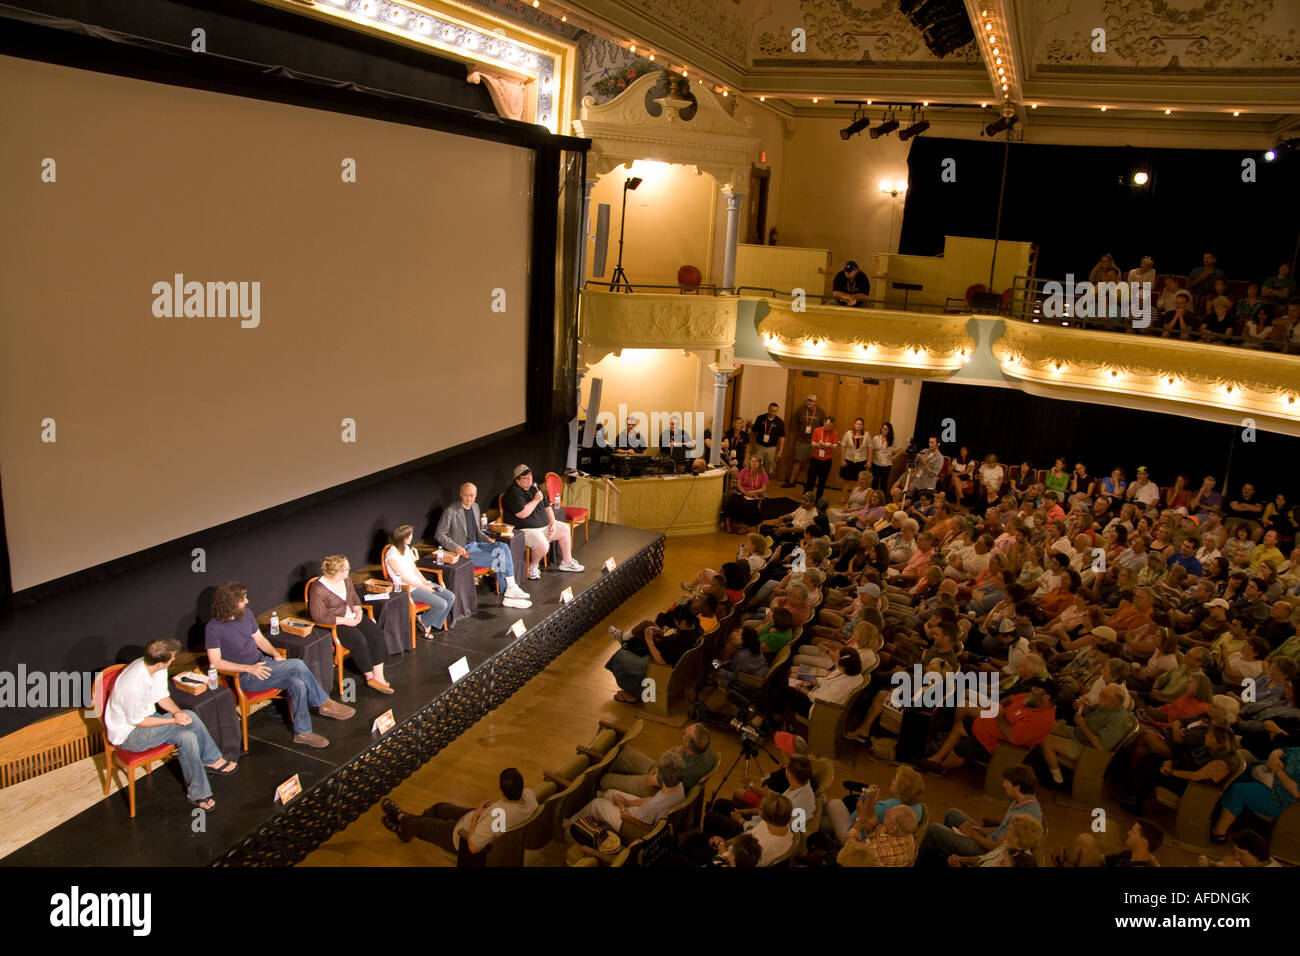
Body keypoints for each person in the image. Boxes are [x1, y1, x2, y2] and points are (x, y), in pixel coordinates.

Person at [205, 582, 355, 749]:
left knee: (297, 683)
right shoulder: (213, 628)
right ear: (230, 603)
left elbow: (260, 640)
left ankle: (302, 733)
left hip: (264, 664)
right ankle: (323, 703)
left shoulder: (246, 614)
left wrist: (275, 654)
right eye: (243, 599)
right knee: (298, 664)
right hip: (246, 676)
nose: (247, 601)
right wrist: (248, 668)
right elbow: (215, 662)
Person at [104, 638, 235, 812]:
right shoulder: (132, 686)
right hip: (130, 735)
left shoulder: (155, 669)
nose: (174, 660)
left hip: (150, 720)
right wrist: (174, 720)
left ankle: (198, 793)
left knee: (187, 736)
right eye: (171, 658)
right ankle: (211, 759)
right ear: (159, 663)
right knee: (190, 716)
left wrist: (177, 713)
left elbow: (162, 697)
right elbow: (138, 721)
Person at [381, 768, 537, 863]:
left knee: (425, 825)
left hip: (461, 835)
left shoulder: (499, 816)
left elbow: (473, 847)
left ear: (502, 791)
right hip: (477, 818)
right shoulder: (529, 796)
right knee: (439, 809)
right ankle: (408, 825)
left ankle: (402, 820)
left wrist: (476, 817)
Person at [915, 764, 1041, 865]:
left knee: (934, 831)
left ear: (1017, 788)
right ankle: (942, 858)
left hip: (987, 849)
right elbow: (1001, 828)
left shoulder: (1026, 814)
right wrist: (977, 830)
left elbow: (998, 847)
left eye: (1007, 782)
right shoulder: (1020, 800)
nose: (1003, 784)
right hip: (989, 840)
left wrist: (973, 834)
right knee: (952, 814)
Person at [307, 554, 394, 695]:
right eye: (347, 568)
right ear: (338, 572)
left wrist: (358, 610)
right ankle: (369, 676)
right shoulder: (318, 589)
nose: (349, 570)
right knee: (359, 640)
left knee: (376, 632)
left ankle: (379, 676)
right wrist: (346, 621)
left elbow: (354, 598)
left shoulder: (346, 580)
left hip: (352, 616)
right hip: (336, 622)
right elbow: (319, 617)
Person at [433, 484, 531, 608]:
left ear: (476, 495)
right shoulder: (451, 511)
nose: (469, 499)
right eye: (466, 495)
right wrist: (455, 547)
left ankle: (510, 588)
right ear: (460, 494)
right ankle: (508, 593)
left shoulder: (475, 507)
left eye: (472, 496)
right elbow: (440, 535)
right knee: (499, 558)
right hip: (463, 550)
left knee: (503, 547)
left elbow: (477, 531)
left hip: (477, 545)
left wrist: (487, 539)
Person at [567, 751, 687, 839]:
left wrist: (621, 805)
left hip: (636, 827)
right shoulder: (678, 785)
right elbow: (651, 800)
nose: (655, 771)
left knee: (596, 804)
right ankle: (596, 821)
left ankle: (569, 826)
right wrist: (628, 802)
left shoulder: (655, 805)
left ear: (662, 777)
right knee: (610, 793)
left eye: (658, 770)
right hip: (647, 814)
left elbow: (635, 821)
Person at [502, 464, 584, 580]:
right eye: (525, 478)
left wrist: (553, 523)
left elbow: (547, 506)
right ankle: (533, 567)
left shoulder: (535, 487)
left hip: (544, 526)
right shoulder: (513, 493)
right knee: (543, 545)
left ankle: (567, 561)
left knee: (565, 529)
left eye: (530, 476)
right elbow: (522, 513)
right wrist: (536, 500)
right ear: (517, 480)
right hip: (525, 529)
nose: (529, 480)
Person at [599, 722, 715, 796]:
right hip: (664, 774)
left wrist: (658, 770)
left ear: (688, 746)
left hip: (658, 788)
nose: (683, 732)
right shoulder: (704, 748)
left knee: (605, 780)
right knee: (623, 754)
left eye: (684, 734)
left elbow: (651, 781)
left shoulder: (682, 769)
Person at [385, 524, 456, 634]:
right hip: (409, 588)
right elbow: (404, 578)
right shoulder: (391, 556)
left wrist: (425, 581)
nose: (412, 538)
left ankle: (428, 622)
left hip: (418, 583)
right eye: (410, 536)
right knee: (442, 604)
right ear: (404, 538)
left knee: (450, 596)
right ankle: (425, 622)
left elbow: (414, 568)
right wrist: (424, 587)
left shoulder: (406, 549)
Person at [785, 394, 825, 488]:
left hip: (814, 442)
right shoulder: (801, 410)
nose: (810, 402)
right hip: (801, 440)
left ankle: (807, 482)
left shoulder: (820, 412)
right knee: (797, 461)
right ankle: (791, 482)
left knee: (809, 463)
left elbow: (823, 427)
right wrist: (799, 431)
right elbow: (794, 422)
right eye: (808, 400)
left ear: (815, 402)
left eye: (812, 401)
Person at [723, 454, 769, 534]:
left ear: (760, 464)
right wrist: (745, 492)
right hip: (742, 492)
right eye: (752, 461)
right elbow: (739, 484)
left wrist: (755, 492)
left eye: (756, 462)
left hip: (754, 495)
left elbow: (764, 488)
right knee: (732, 500)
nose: (754, 463)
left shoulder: (763, 474)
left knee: (748, 505)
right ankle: (728, 524)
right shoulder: (744, 470)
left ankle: (744, 526)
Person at [805, 414, 838, 502]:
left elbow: (835, 447)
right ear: (824, 422)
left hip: (826, 461)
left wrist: (830, 445)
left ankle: (818, 500)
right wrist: (818, 444)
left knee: (822, 482)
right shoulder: (817, 430)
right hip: (815, 459)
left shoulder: (834, 433)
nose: (828, 427)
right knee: (810, 480)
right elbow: (812, 444)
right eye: (827, 425)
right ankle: (807, 498)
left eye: (830, 426)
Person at [751, 403, 785, 476]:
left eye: (775, 411)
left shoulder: (779, 422)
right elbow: (753, 432)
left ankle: (764, 480)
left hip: (771, 448)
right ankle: (755, 480)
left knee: (769, 466)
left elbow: (782, 437)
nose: (773, 413)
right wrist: (751, 445)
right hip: (760, 446)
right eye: (771, 410)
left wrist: (780, 450)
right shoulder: (760, 418)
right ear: (768, 409)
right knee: (756, 464)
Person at [839, 417, 870, 484]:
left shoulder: (866, 435)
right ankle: (843, 495)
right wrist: (842, 460)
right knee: (846, 481)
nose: (858, 426)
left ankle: (855, 495)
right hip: (849, 461)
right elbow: (843, 446)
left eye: (860, 424)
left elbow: (870, 448)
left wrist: (869, 461)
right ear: (854, 424)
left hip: (861, 462)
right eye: (857, 424)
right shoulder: (848, 433)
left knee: (858, 482)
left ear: (862, 426)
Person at [870, 421, 898, 492]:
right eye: (883, 428)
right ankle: (873, 499)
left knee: (883, 483)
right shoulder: (876, 438)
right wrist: (870, 461)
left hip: (886, 465)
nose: (884, 430)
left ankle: (883, 500)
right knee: (875, 482)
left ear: (889, 431)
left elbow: (901, 449)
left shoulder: (891, 440)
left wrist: (894, 457)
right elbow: (872, 450)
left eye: (886, 429)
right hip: (876, 463)